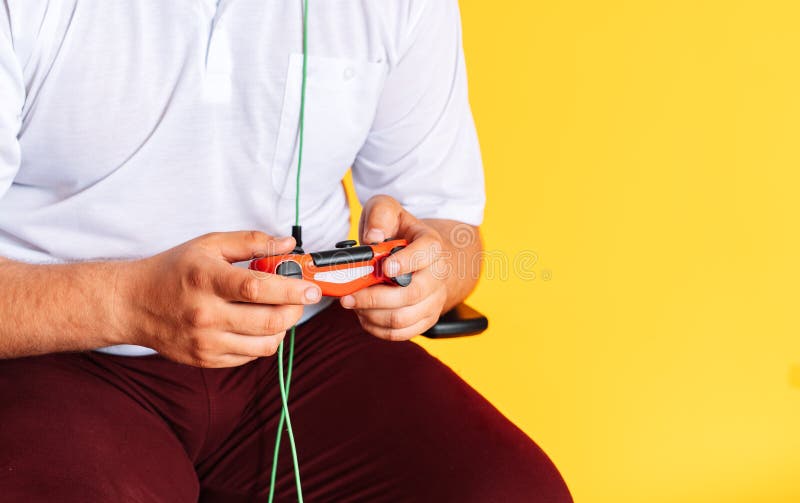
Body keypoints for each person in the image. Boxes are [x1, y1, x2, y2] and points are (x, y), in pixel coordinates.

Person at [0, 1, 572, 501]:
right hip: (62, 348)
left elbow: (458, 231)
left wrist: (436, 272)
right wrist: (128, 303)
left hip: (304, 345)